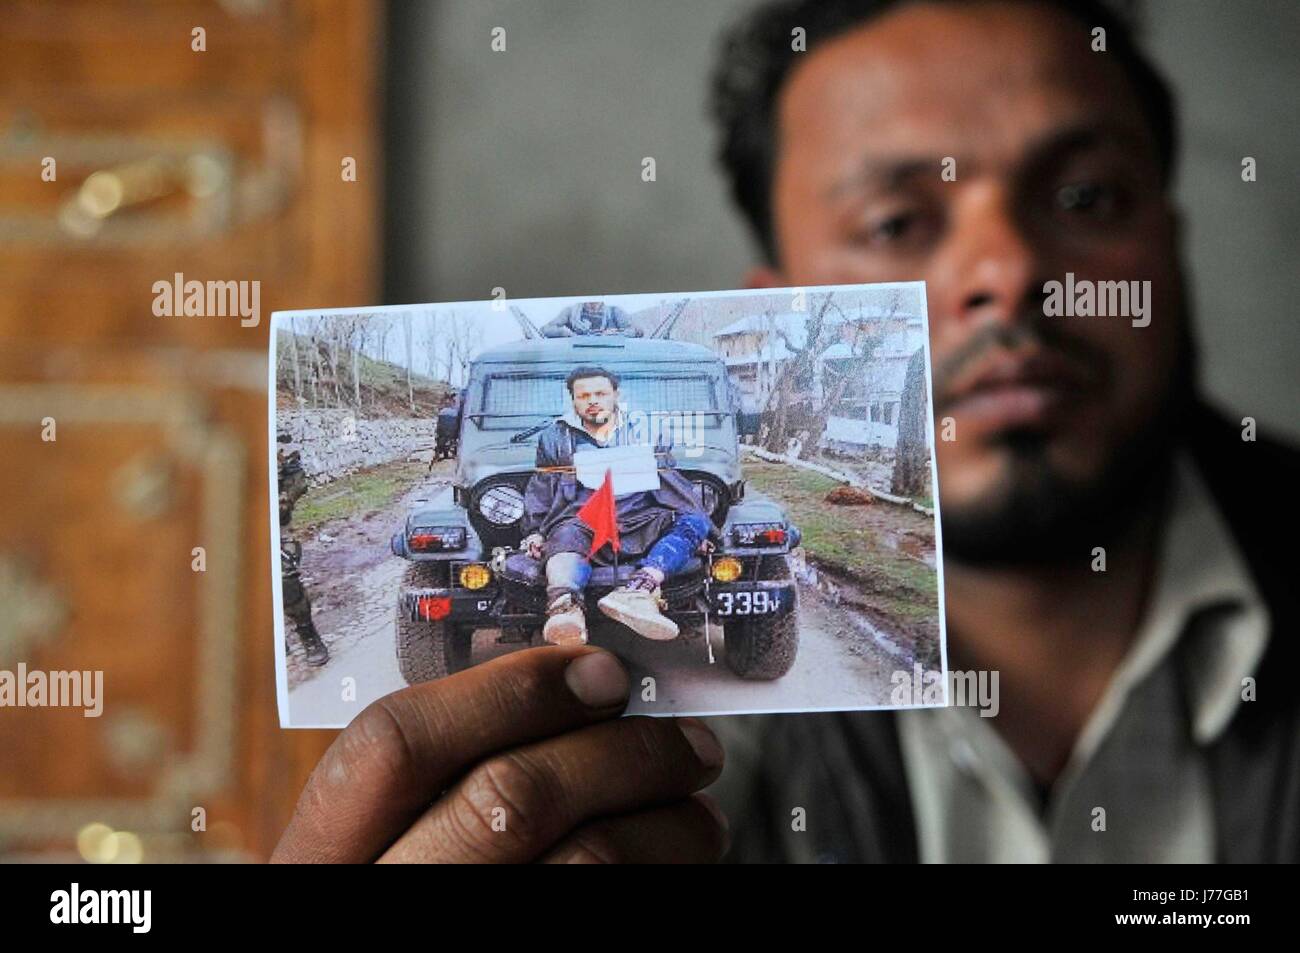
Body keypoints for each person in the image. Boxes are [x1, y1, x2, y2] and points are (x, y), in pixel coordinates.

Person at [273, 0, 1299, 864]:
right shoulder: (674, 787)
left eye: (1084, 195)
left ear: (1166, 233)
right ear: (777, 292)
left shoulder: (676, 456)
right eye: (897, 222)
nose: (1009, 271)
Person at [520, 366, 714, 645]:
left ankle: (638, 592)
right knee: (562, 535)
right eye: (583, 395)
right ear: (573, 400)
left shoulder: (648, 429)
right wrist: (535, 531)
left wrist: (701, 533)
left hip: (642, 516)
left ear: (616, 395)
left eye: (600, 393)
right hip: (583, 519)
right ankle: (565, 610)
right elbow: (542, 487)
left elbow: (671, 482)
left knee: (694, 523)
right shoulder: (555, 437)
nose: (592, 400)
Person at [277, 445, 329, 667]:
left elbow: (297, 481)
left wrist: (282, 499)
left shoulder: (273, 444)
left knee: (286, 581)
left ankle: (308, 635)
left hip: (274, 527)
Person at [540, 300, 643, 337]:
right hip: (579, 358)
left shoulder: (615, 312)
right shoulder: (570, 312)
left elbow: (637, 332)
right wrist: (564, 333)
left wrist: (616, 333)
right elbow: (545, 329)